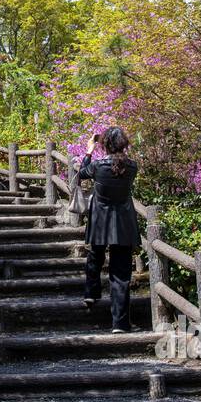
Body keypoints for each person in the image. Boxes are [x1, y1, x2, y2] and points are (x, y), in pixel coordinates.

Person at [77, 126, 141, 333]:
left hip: (99, 221)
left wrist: (88, 150)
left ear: (104, 144)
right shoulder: (132, 166)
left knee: (95, 255)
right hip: (123, 223)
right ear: (124, 144)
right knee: (121, 274)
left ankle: (91, 292)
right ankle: (120, 323)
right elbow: (120, 165)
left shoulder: (97, 166)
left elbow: (81, 175)